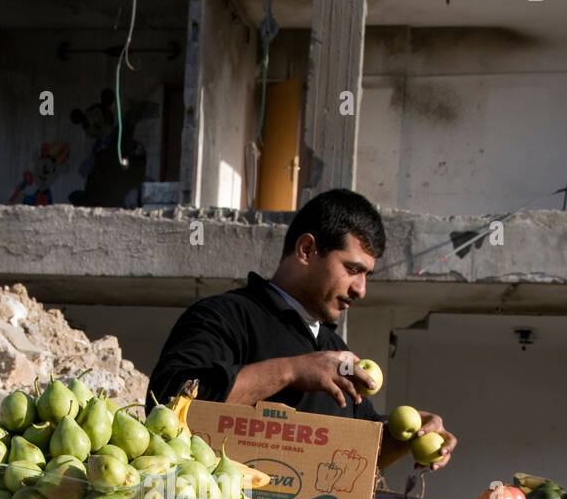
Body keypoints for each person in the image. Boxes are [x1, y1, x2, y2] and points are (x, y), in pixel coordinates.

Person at [147, 189, 456, 471]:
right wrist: (292, 371)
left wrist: (415, 434)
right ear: (307, 250)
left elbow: (363, 451)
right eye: (352, 269)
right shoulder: (224, 316)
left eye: (367, 274)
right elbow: (166, 404)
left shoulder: (333, 348)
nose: (361, 289)